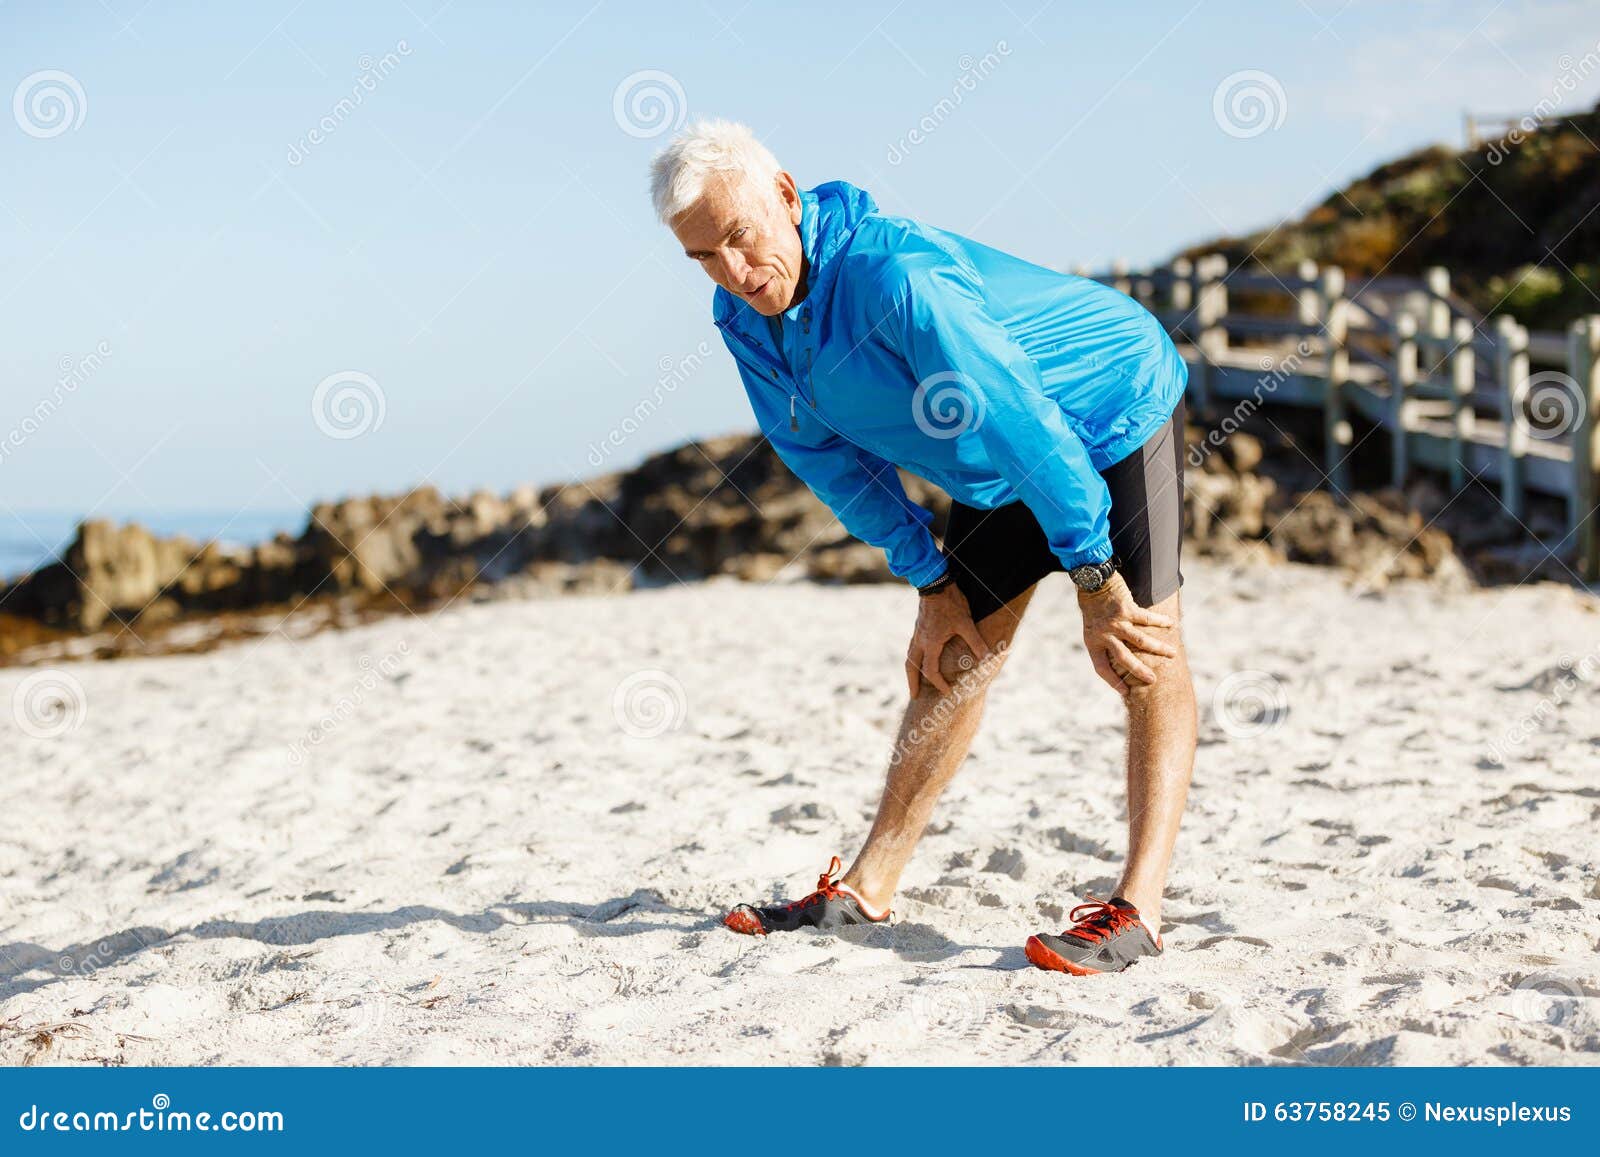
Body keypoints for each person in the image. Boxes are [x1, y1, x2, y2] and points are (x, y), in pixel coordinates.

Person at [649, 120, 1197, 975]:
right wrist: (928, 575)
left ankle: (1139, 909)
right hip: (994, 464)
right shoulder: (743, 319)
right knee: (951, 655)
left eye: (739, 237)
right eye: (703, 257)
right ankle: (867, 886)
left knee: (1140, 647)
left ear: (785, 196)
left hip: (1107, 408)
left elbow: (1018, 412)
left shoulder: (895, 280)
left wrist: (1094, 574)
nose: (732, 272)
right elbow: (820, 456)